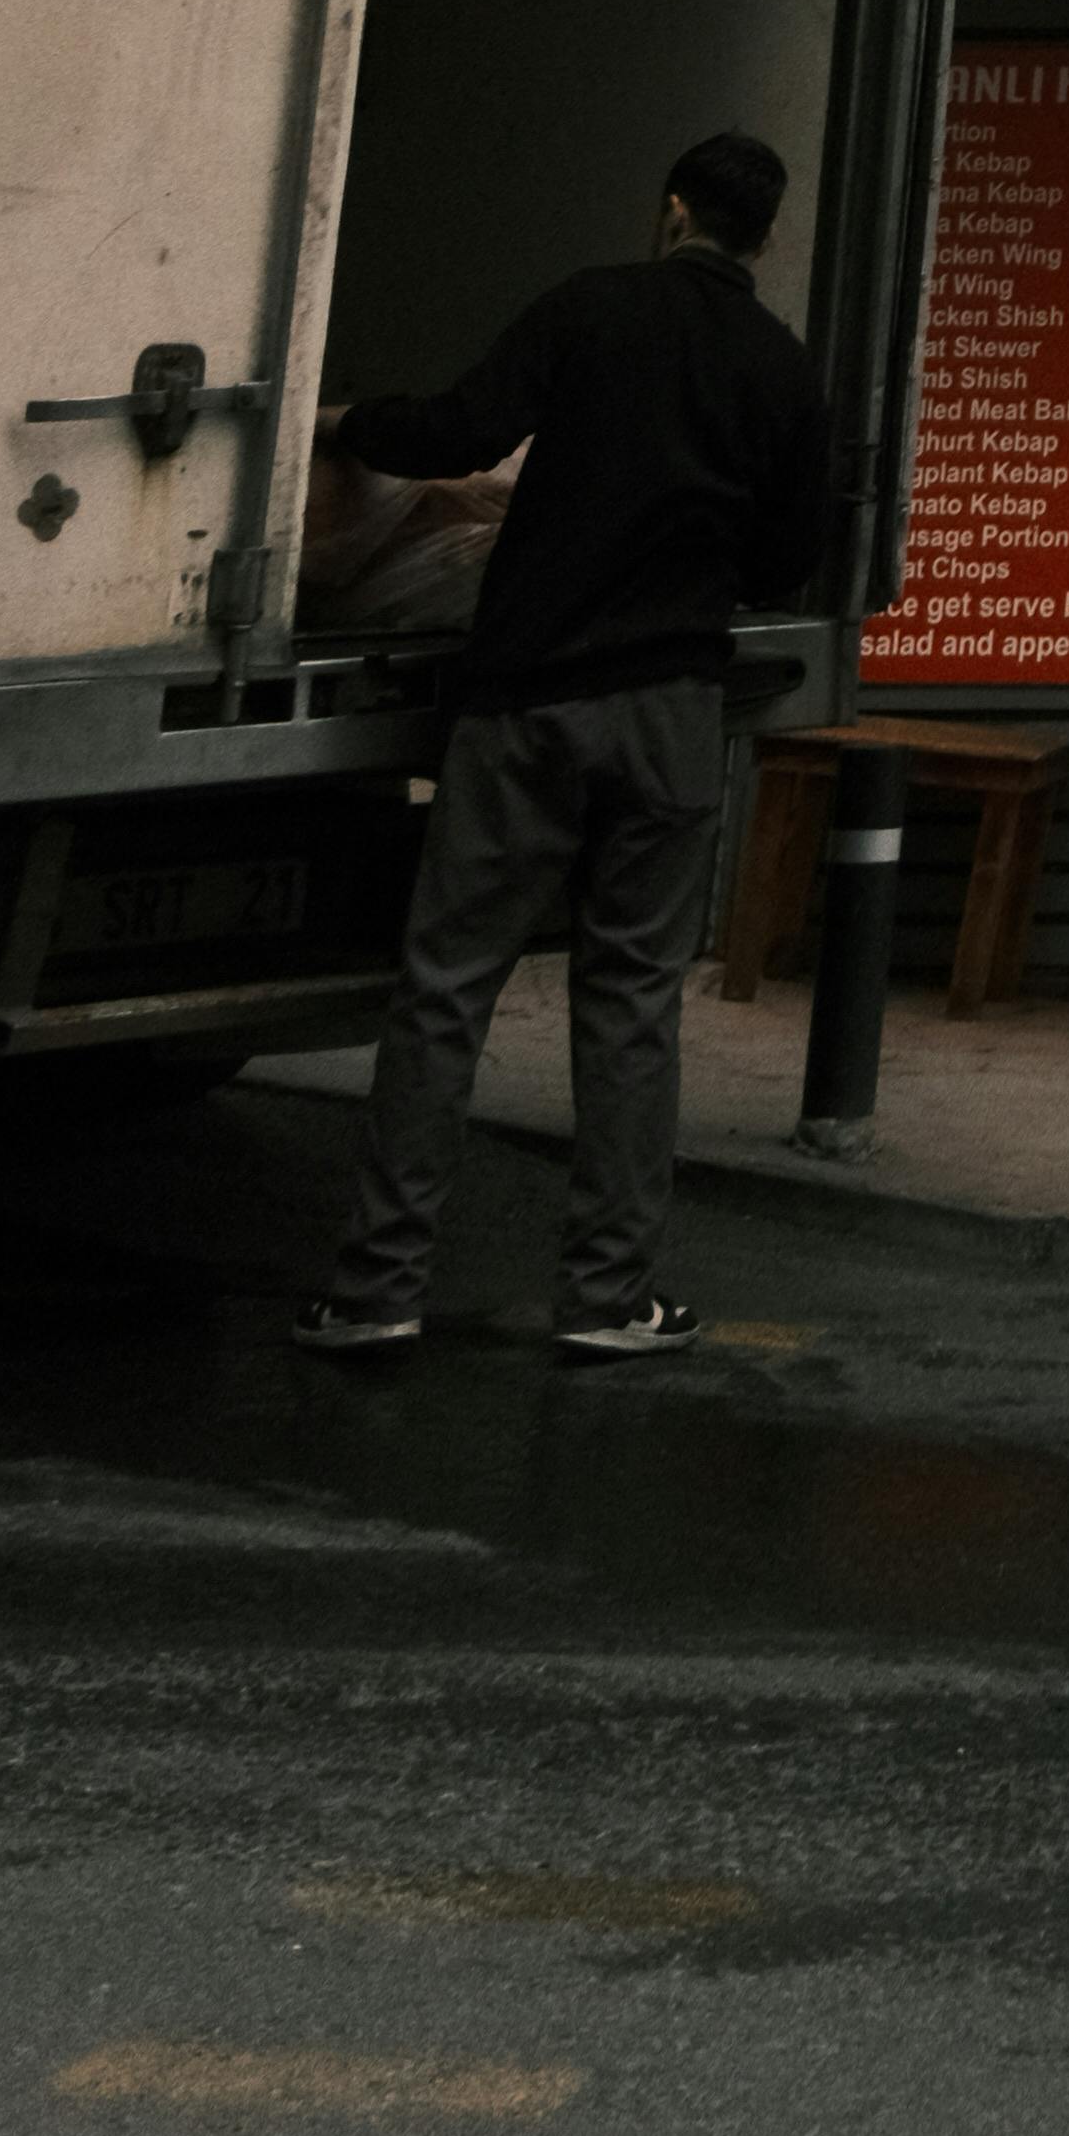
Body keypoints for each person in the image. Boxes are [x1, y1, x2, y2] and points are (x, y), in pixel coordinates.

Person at [293, 130, 841, 1369]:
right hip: (669, 713)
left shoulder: (591, 308)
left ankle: (375, 1291)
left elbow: (458, 434)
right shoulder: (782, 368)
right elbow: (783, 561)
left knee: (446, 989)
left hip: (526, 700)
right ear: (764, 236)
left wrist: (343, 425)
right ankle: (605, 1300)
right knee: (633, 1003)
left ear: (673, 209)